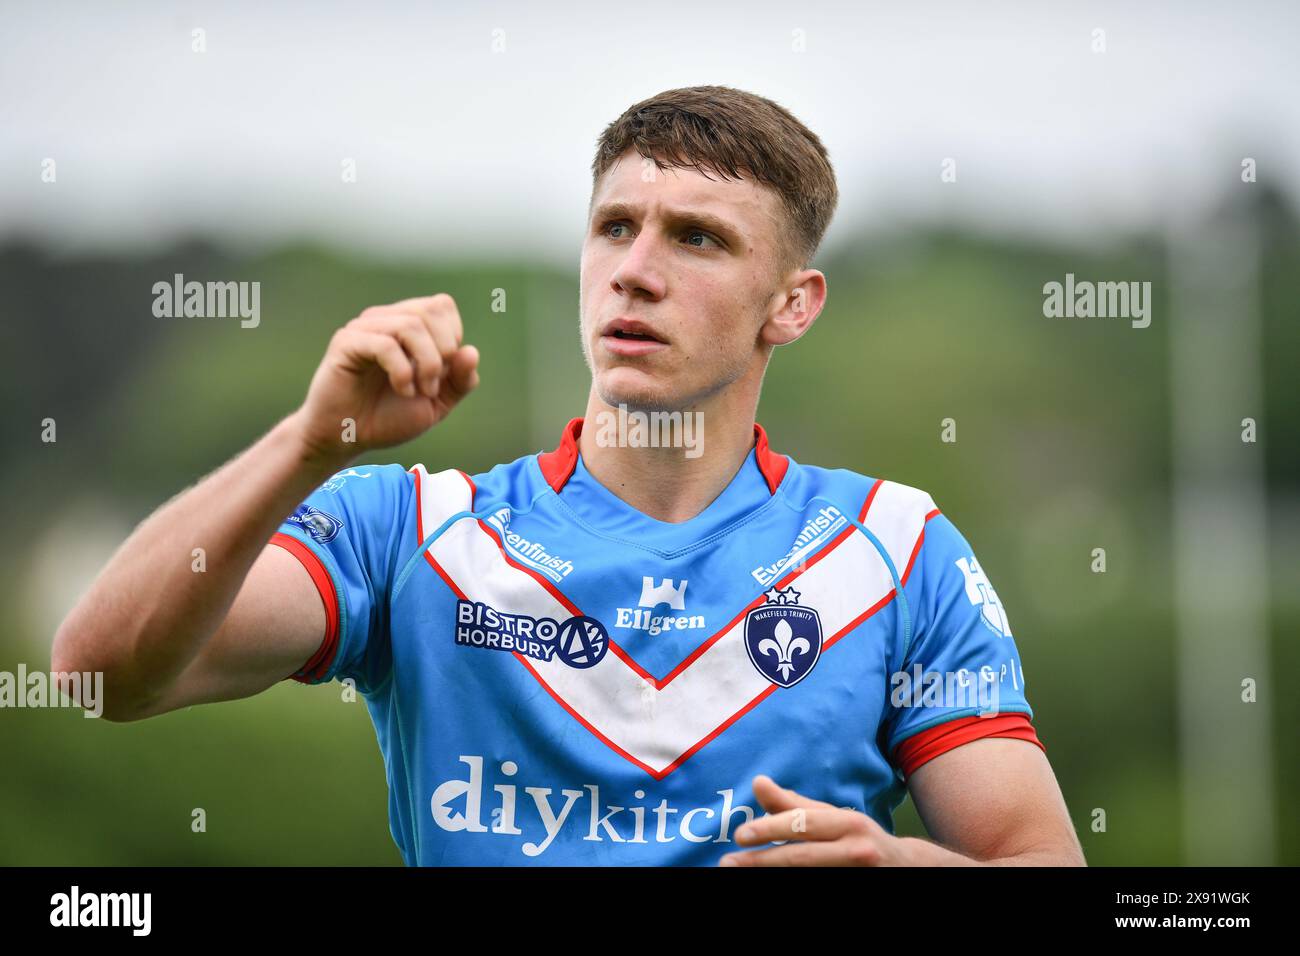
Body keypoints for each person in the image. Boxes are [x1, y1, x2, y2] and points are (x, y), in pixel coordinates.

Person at [53, 85, 1085, 866]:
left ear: (792, 304)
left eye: (697, 238)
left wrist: (902, 863)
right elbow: (99, 676)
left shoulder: (894, 552)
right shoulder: (412, 530)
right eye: (614, 226)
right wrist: (306, 446)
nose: (637, 267)